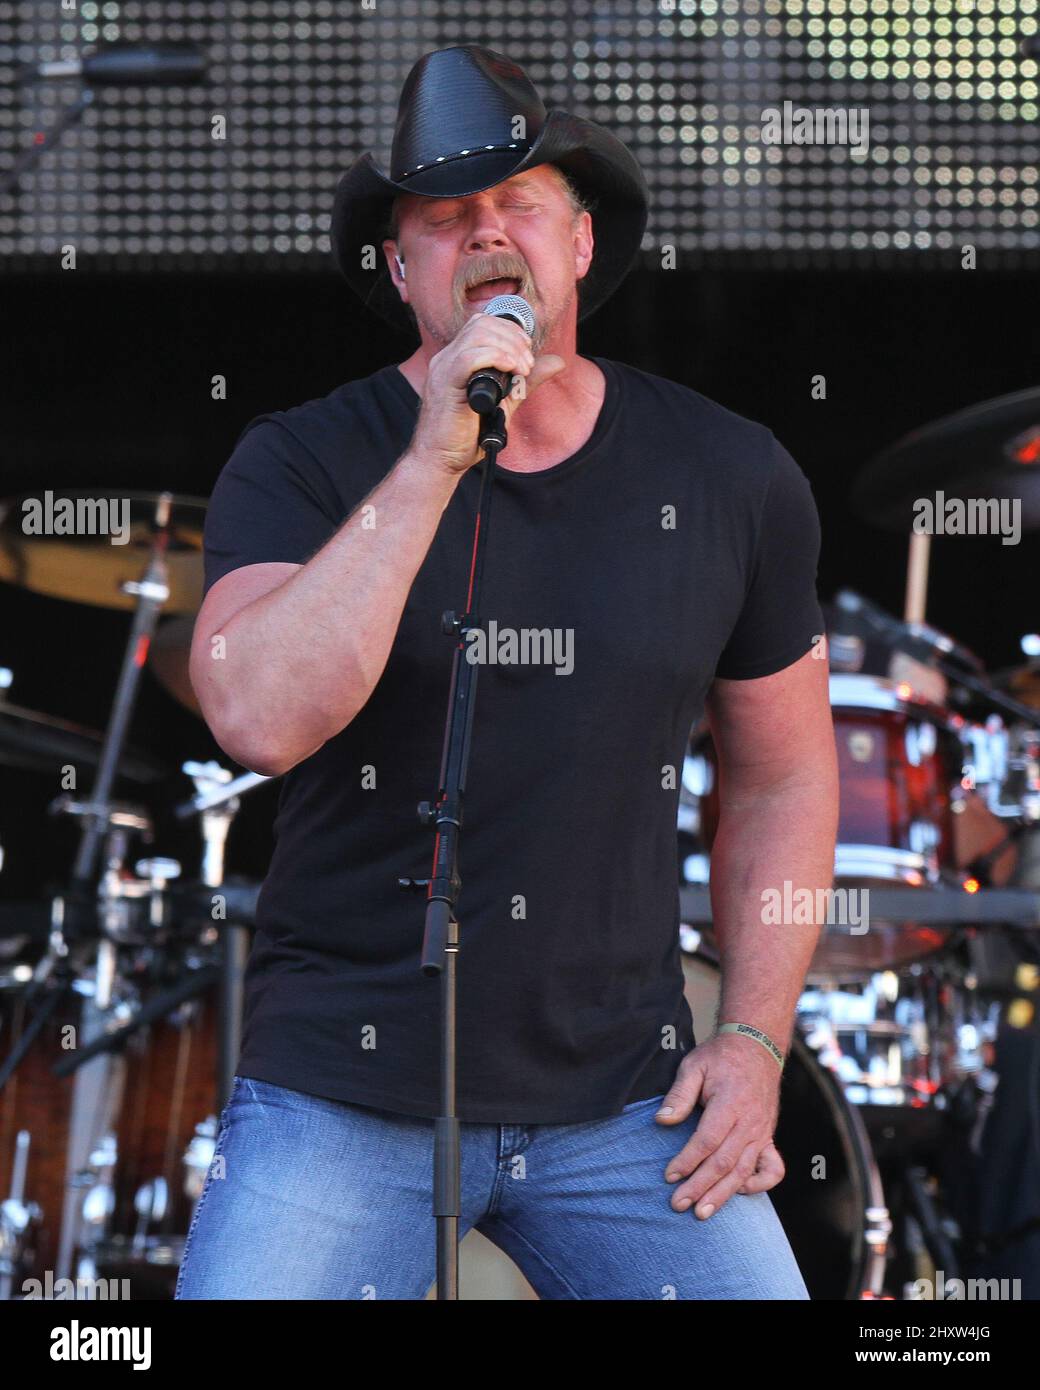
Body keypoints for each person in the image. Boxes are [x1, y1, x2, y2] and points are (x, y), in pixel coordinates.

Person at [175, 43, 838, 1301]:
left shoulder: (728, 474)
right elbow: (257, 717)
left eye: (519, 203)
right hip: (342, 1095)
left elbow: (786, 776)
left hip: (619, 1106)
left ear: (577, 244)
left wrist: (751, 1039)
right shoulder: (305, 462)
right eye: (445, 216)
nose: (486, 232)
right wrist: (434, 456)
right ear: (399, 267)